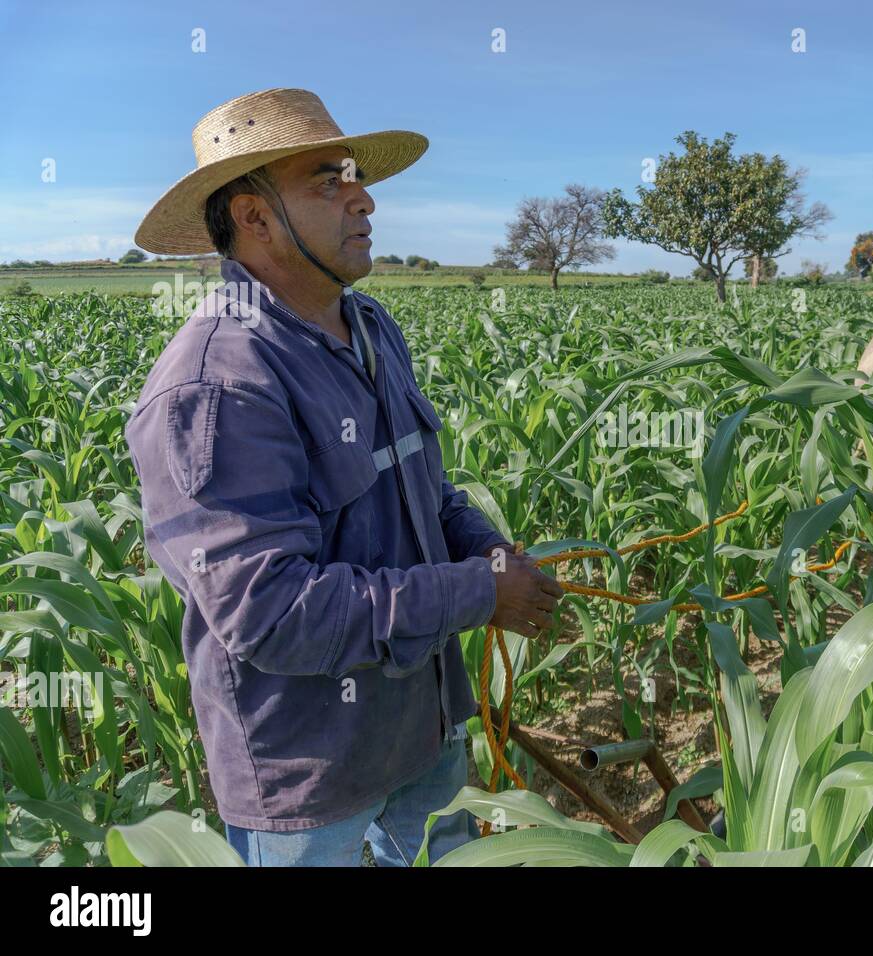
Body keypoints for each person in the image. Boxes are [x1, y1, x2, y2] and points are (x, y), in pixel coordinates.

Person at [125, 88, 562, 866]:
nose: (364, 200)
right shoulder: (216, 383)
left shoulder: (371, 327)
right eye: (329, 180)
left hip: (424, 730)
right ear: (254, 216)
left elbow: (426, 490)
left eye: (356, 176)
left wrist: (491, 552)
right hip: (311, 776)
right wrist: (478, 594)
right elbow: (270, 613)